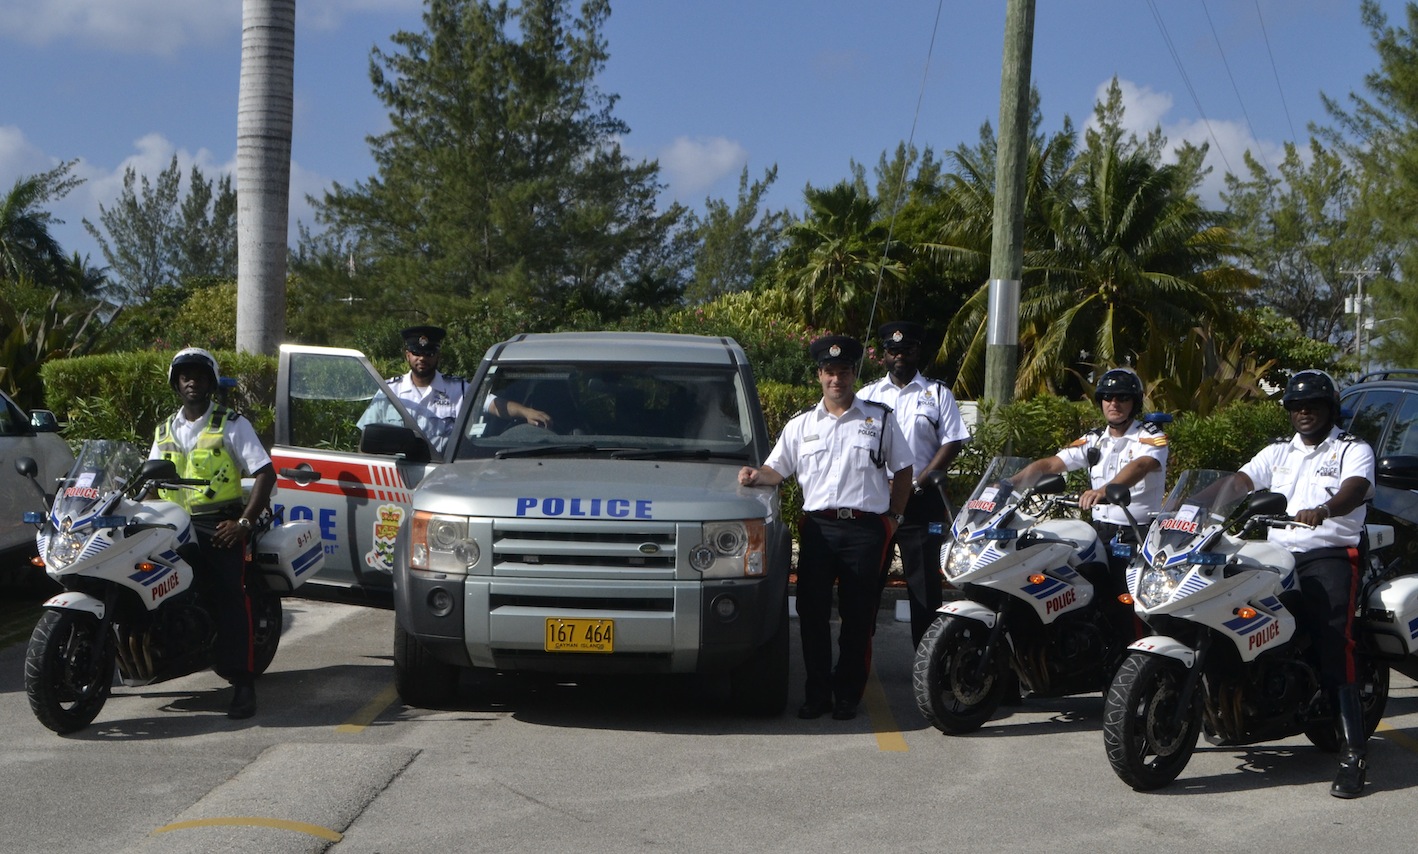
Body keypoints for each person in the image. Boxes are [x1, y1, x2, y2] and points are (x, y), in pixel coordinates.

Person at [738, 335, 913, 721]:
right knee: (812, 614)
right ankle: (817, 694)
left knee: (858, 616)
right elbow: (776, 469)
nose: (837, 379)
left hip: (865, 531)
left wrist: (894, 518)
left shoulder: (879, 419)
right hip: (818, 530)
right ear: (819, 375)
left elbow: (903, 470)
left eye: (844, 371)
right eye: (830, 372)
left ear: (854, 374)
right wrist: (754, 476)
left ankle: (848, 694)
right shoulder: (801, 425)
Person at [1231, 369, 1376, 799]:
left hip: (1328, 554)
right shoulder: (1278, 452)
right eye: (1296, 405)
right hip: (1275, 555)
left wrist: (1325, 510)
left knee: (1334, 641)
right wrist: (1192, 505)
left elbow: (1356, 489)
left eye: (1312, 404)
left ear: (1330, 408)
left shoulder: (1352, 449)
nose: (1303, 411)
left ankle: (1353, 755)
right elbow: (1240, 481)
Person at [150, 348, 275, 720]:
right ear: (176, 383)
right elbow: (150, 482)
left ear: (211, 382)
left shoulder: (232, 424)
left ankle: (243, 683)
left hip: (216, 524)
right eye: (185, 376)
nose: (192, 382)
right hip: (171, 524)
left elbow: (265, 473)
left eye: (199, 376)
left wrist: (243, 524)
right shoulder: (164, 430)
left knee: (228, 594)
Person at [859, 321, 970, 649]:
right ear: (884, 354)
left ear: (918, 351)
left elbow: (952, 442)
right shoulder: (867, 396)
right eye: (893, 350)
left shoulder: (937, 393)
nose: (899, 356)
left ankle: (928, 665)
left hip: (921, 502)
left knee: (924, 590)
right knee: (866, 586)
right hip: (877, 501)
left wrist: (916, 485)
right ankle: (858, 660)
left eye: (906, 350)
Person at [1011, 367, 1168, 549]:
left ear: (1135, 402)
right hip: (1098, 532)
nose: (1114, 403)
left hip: (1138, 535)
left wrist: (1103, 491)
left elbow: (1141, 466)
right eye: (1107, 397)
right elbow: (1051, 465)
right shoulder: (1094, 440)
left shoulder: (1151, 438)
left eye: (1122, 397)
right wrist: (1009, 483)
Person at [358, 325, 551, 453]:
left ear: (437, 356)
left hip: (441, 472)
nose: (422, 358)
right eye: (417, 353)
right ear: (407, 355)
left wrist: (525, 412)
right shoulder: (389, 391)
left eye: (429, 353)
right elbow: (366, 438)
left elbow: (493, 404)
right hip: (398, 477)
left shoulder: (458, 389)